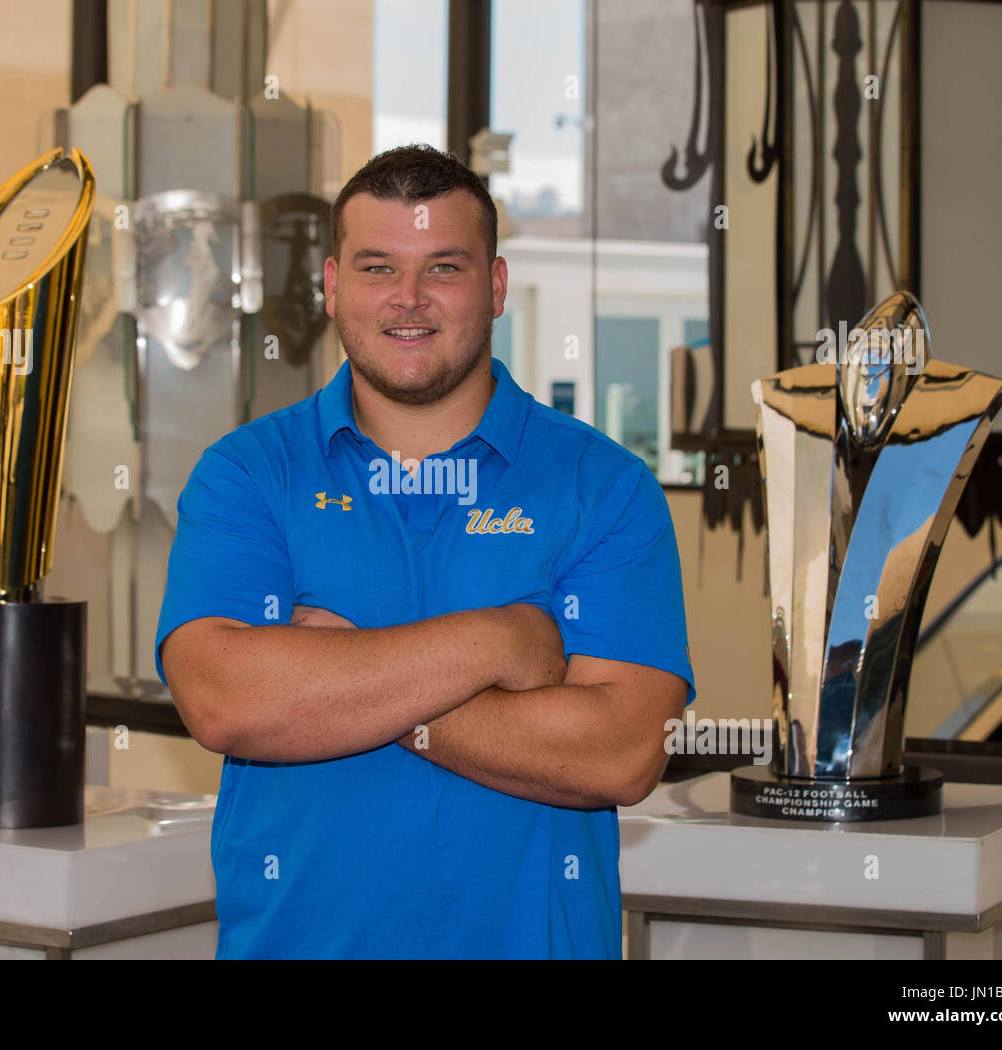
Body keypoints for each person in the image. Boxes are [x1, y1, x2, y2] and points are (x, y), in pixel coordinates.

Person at [156, 143, 696, 959]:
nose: (408, 300)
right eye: (377, 268)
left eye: (444, 267)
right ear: (334, 285)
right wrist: (500, 642)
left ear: (496, 286)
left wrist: (345, 686)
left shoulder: (603, 488)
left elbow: (621, 751)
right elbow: (226, 700)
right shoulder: (250, 476)